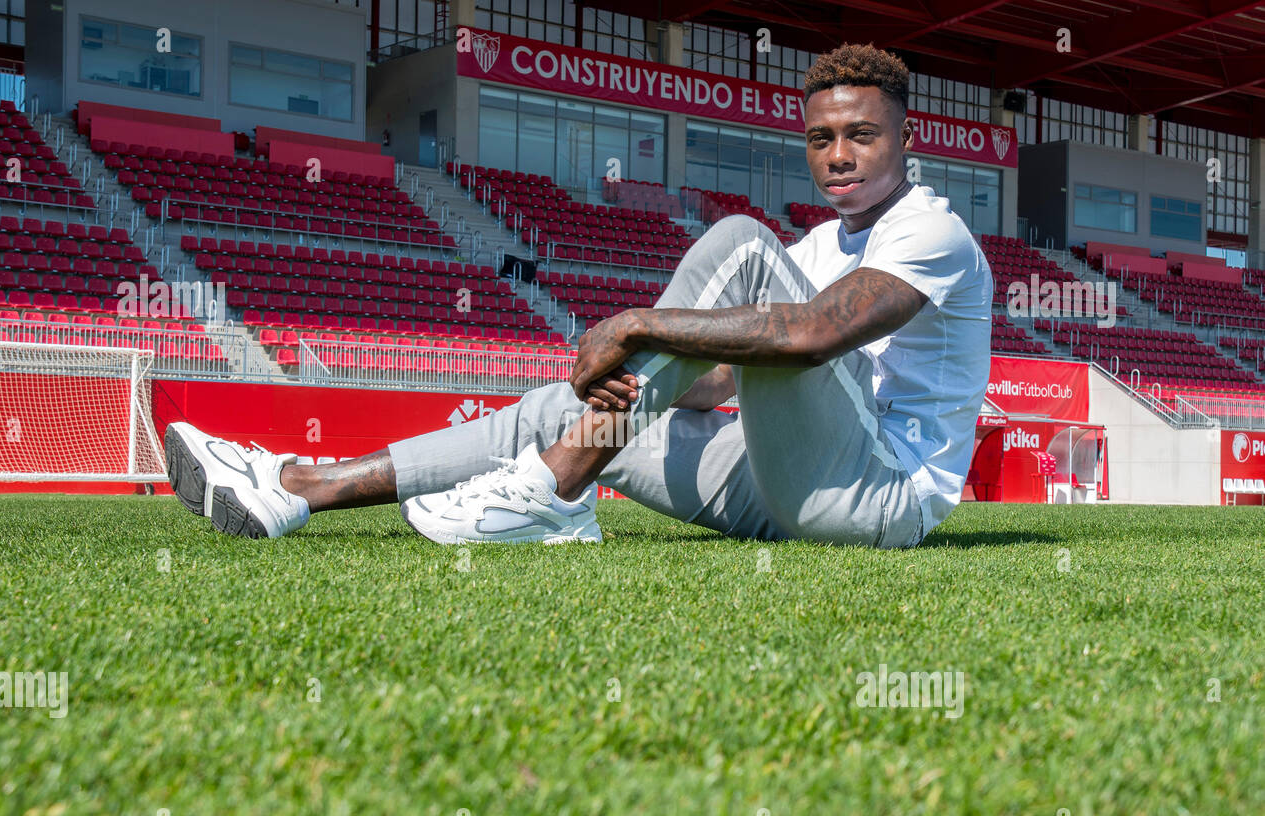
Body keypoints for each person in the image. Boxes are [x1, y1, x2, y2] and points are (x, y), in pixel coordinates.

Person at [164, 42, 992, 548]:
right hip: (791, 484)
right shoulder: (818, 244)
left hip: (881, 498)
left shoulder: (933, 232)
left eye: (861, 134)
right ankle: (299, 488)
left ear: (906, 140)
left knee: (738, 241)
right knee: (554, 409)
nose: (839, 154)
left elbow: (811, 335)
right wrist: (621, 381)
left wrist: (634, 324)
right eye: (821, 138)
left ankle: (558, 488)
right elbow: (724, 376)